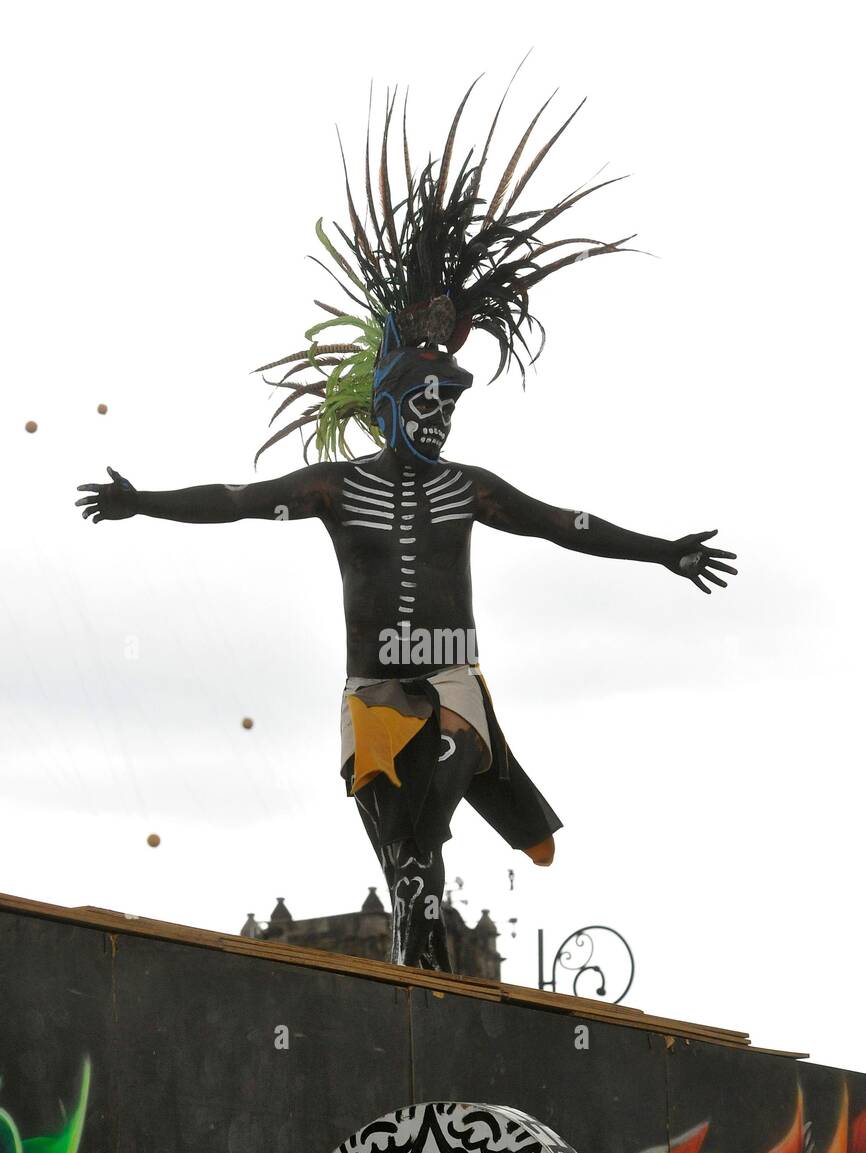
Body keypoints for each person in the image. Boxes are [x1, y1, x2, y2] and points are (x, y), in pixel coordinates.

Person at [76, 75, 736, 972]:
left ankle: (425, 972)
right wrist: (145, 500)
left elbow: (562, 524)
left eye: (448, 406)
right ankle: (417, 983)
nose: (438, 417)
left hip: (454, 687)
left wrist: (661, 550)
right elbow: (235, 499)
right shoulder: (334, 489)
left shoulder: (472, 488)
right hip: (375, 697)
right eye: (422, 402)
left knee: (429, 824)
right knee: (407, 869)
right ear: (388, 407)